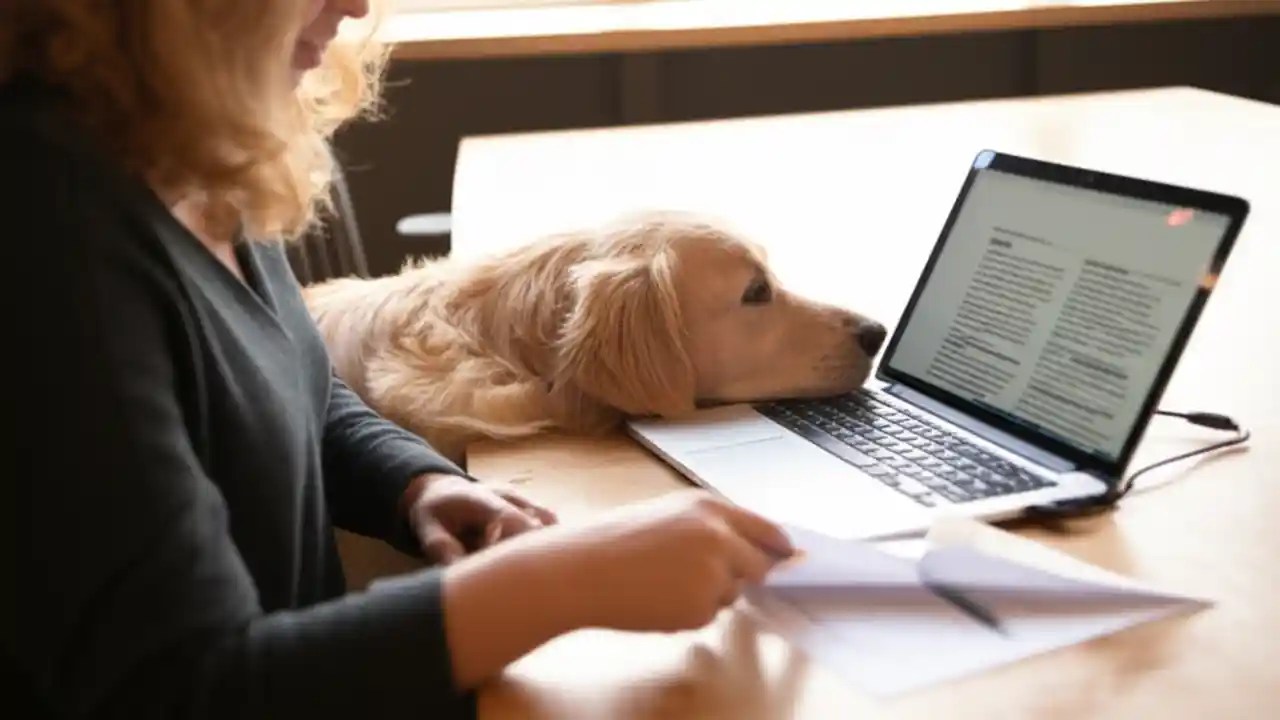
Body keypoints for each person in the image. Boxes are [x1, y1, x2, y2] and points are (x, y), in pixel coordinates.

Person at [3, 1, 796, 717]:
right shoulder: (52, 246)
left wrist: (410, 482)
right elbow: (189, 690)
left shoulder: (182, 146)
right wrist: (568, 579)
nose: (354, 5)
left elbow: (288, 380)